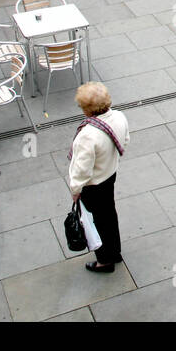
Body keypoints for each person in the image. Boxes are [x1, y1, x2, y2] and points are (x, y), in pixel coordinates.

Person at [67, 82, 130, 274]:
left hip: (93, 185)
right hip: (110, 175)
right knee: (109, 215)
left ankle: (105, 261)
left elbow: (82, 169)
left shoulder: (88, 135)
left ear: (87, 109)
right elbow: (125, 140)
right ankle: (115, 251)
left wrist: (75, 190)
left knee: (97, 222)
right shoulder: (119, 116)